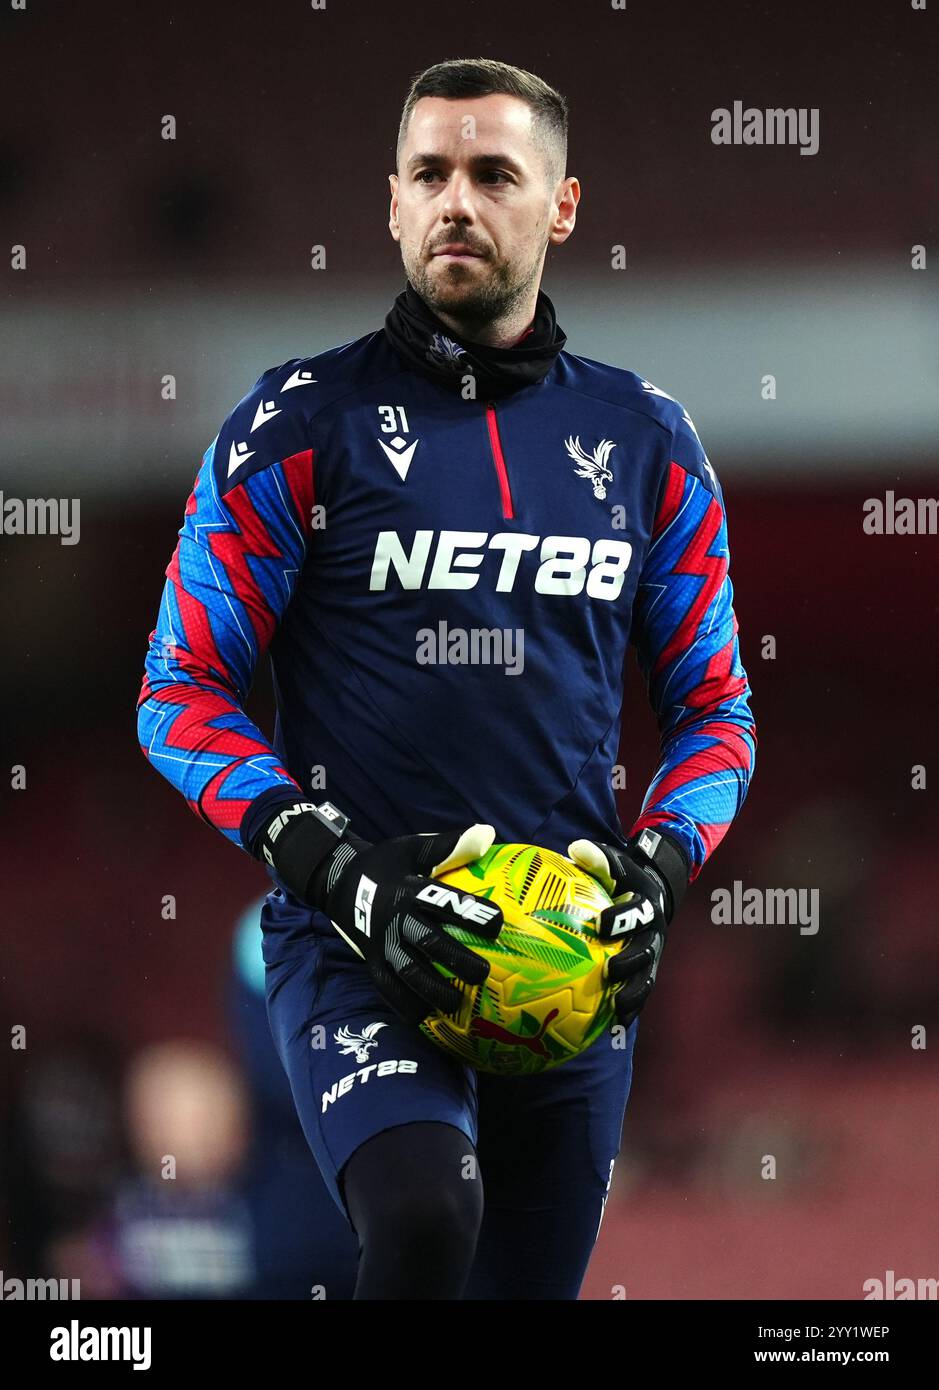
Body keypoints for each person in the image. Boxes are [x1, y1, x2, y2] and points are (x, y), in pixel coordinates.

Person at [136, 57, 756, 1299]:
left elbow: (716, 713)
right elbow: (179, 689)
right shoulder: (295, 426)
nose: (456, 201)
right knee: (422, 1223)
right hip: (359, 944)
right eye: (429, 174)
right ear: (393, 204)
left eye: (492, 173)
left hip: (563, 967)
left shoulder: (651, 444)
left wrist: (657, 872)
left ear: (562, 207)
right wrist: (347, 880)